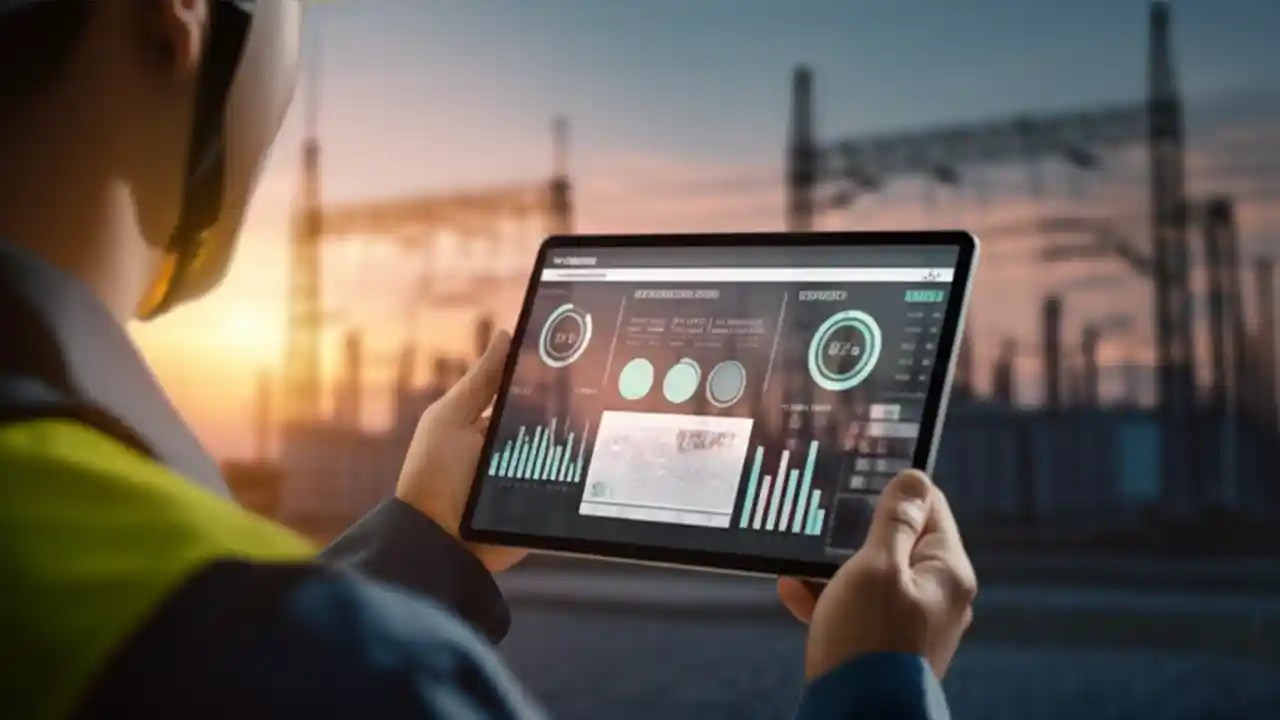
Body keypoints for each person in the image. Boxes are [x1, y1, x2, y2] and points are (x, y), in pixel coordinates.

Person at [0, 1, 978, 718]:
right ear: (176, 22)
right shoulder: (357, 676)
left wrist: (426, 539)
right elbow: (296, 675)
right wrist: (879, 682)